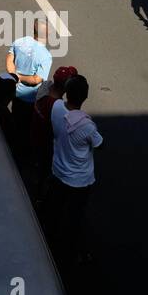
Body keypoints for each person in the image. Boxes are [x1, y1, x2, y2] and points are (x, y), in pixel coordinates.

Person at [45, 75, 103, 266]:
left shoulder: (56, 108)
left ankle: (47, 243)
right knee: (74, 218)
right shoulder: (86, 126)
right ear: (85, 97)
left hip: (58, 171)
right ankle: (68, 254)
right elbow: (99, 143)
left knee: (54, 210)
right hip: (79, 180)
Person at [31, 65, 79, 201]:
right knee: (44, 174)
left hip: (35, 137)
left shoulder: (44, 88)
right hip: (47, 146)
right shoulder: (58, 108)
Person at [6, 16, 53, 144]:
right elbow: (36, 79)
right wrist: (20, 78)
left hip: (15, 93)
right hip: (30, 100)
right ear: (48, 32)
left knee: (15, 120)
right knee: (27, 130)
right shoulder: (46, 56)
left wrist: (13, 76)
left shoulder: (19, 42)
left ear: (33, 27)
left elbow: (10, 58)